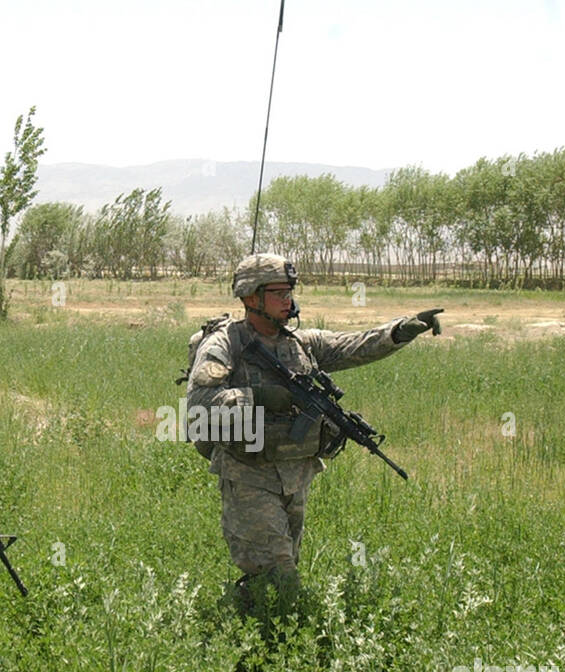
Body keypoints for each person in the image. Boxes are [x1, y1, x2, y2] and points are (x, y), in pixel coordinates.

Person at [186, 252, 440, 622]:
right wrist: (256, 397)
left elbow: (352, 345)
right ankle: (281, 644)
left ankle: (250, 625)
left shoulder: (300, 344)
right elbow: (198, 407)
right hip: (248, 474)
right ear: (250, 297)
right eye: (278, 292)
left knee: (278, 567)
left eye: (290, 290)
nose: (288, 299)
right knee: (278, 572)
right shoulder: (225, 345)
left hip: (295, 475)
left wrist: (400, 331)